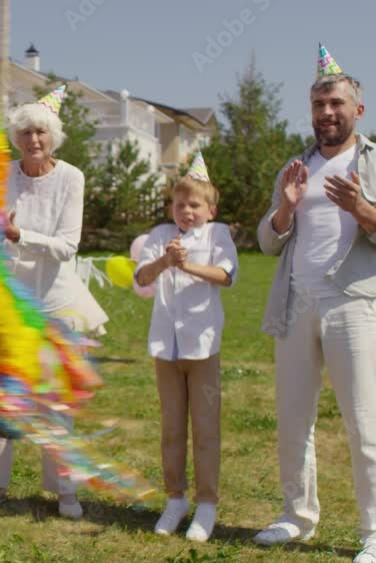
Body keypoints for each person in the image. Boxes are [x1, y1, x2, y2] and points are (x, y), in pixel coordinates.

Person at [253, 45, 376, 563]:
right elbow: (267, 240)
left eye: (336, 104)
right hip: (297, 304)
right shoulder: (296, 165)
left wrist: (364, 210)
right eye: (319, 103)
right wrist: (285, 208)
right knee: (293, 418)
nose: (327, 112)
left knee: (366, 422)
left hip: (353, 304)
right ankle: (296, 516)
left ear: (357, 110)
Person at [0, 86, 105, 519]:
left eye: (41, 133)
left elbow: (68, 246)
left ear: (54, 137)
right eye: (26, 132)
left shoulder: (71, 177)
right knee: (1, 394)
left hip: (54, 300)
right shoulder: (1, 174)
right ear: (16, 137)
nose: (34, 140)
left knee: (55, 399)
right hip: (7, 299)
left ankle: (65, 490)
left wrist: (19, 235)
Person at [134, 153, 238, 541]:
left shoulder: (218, 235)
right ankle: (175, 497)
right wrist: (165, 261)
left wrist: (187, 265)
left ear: (210, 210)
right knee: (172, 427)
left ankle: (206, 503)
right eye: (180, 205)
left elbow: (226, 275)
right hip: (166, 347)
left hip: (202, 347)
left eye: (194, 205)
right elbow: (142, 276)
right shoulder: (160, 236)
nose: (186, 211)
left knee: (206, 427)